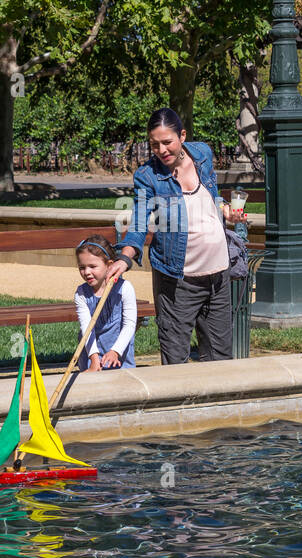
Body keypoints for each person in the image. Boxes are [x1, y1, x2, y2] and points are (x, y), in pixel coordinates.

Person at [105, 107, 244, 364]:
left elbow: (212, 195)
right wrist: (125, 257)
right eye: (154, 145)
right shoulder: (148, 176)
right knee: (175, 359)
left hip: (218, 276)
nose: (161, 150)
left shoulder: (202, 154)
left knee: (220, 359)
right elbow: (138, 220)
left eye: (167, 142)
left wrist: (225, 210)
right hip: (178, 281)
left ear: (182, 136)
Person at [74, 234, 138, 370]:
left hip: (119, 352)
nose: (87, 272)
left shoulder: (124, 288)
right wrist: (94, 359)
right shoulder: (81, 294)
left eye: (92, 266)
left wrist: (116, 351)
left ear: (109, 265)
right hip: (92, 352)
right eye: (82, 267)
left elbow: (129, 325)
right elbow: (87, 329)